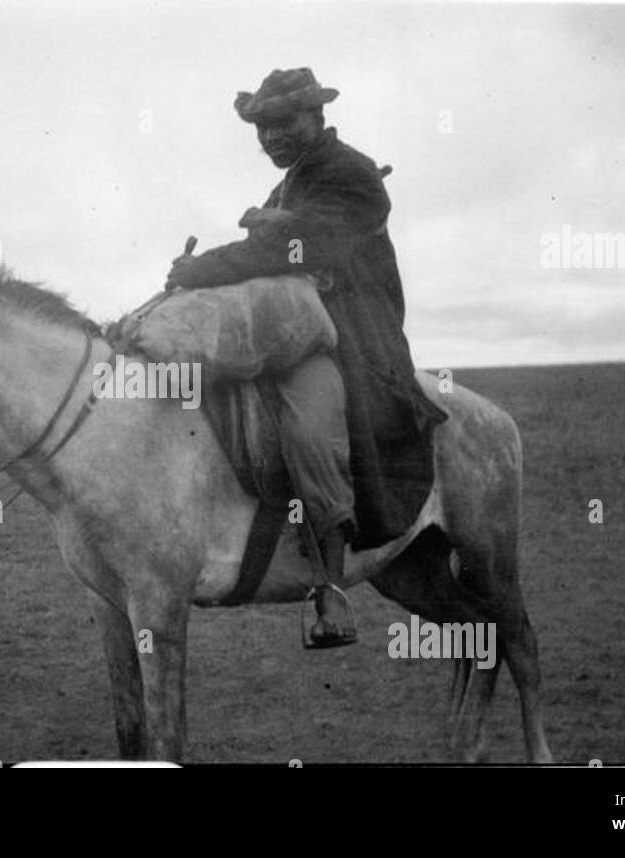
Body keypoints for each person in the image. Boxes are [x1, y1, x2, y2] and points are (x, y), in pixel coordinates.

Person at [165, 68, 445, 648]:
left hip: (350, 338)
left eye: (280, 124)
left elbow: (294, 247)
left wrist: (215, 263)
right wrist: (201, 275)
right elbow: (263, 249)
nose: (270, 138)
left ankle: (330, 588)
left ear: (316, 117)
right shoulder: (290, 184)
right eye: (261, 129)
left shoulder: (353, 175)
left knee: (310, 427)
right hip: (295, 328)